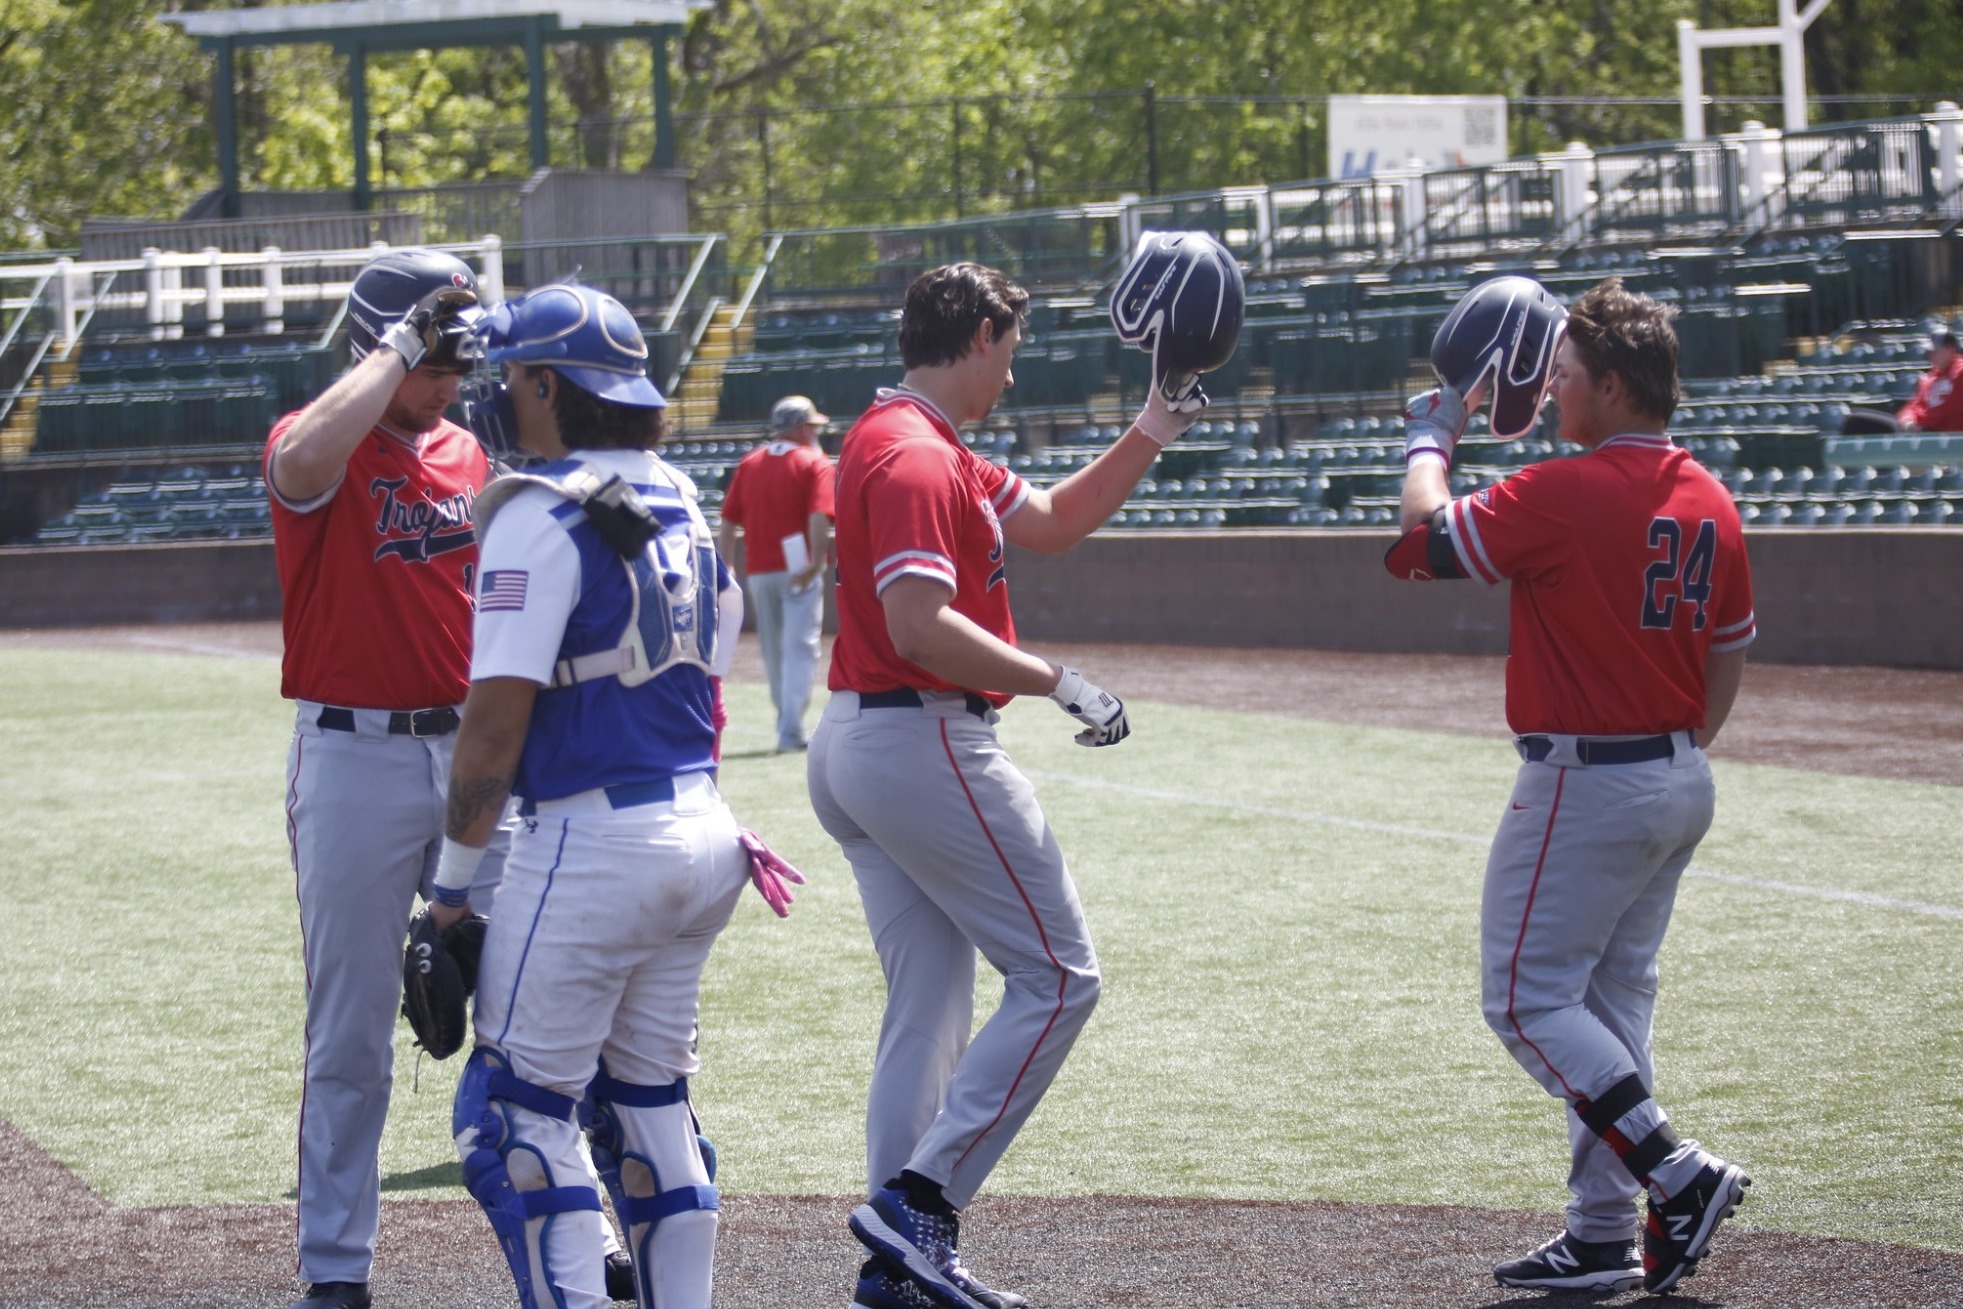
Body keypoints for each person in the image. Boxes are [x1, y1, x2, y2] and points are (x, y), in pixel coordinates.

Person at [807, 240, 1241, 1309]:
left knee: (929, 1008)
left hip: (867, 740)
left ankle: (895, 1255)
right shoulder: (912, 450)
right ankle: (919, 1203)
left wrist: (1152, 425)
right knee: (1061, 976)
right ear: (982, 335)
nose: (1014, 373)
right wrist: (1059, 680)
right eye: (1011, 351)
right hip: (919, 737)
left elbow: (1052, 523)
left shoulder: (919, 437)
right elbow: (920, 624)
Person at [1387, 275, 1755, 1297]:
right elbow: (1728, 652)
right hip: (1677, 774)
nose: (1551, 392)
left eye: (1566, 375)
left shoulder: (1563, 487)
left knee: (1521, 998)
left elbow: (1420, 544)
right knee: (1609, 1005)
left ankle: (1673, 1173)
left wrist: (1430, 436)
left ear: (1617, 385)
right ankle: (1601, 1233)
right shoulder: (1710, 494)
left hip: (1585, 780)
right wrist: (1676, 751)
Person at [428, 283, 777, 1309]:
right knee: (652, 1108)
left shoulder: (537, 512)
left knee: (516, 1122)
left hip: (590, 844)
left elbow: (493, 730)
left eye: (514, 375)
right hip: (704, 831)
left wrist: (450, 889)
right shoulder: (683, 497)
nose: (501, 392)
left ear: (551, 384)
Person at [266, 247, 506, 1309]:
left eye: (457, 365)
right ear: (380, 346)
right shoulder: (318, 437)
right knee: (352, 1023)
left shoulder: (467, 449)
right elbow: (301, 466)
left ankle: (573, 1229)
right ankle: (335, 1267)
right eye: (434, 362)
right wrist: (394, 349)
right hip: (352, 754)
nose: (451, 384)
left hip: (469, 749)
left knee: (539, 991)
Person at [716, 394, 837, 752]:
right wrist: (816, 561)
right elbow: (818, 517)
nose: (817, 432)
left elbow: (727, 520)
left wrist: (727, 565)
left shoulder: (750, 462)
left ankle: (786, 723)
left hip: (759, 570)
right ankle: (790, 730)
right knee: (800, 648)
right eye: (813, 426)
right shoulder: (814, 462)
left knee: (773, 650)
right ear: (801, 428)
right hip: (798, 569)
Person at [1896, 328, 1963, 432]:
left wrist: (1924, 420)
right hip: (1928, 434)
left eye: (1935, 350)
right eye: (1930, 351)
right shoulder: (1929, 379)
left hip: (1953, 438)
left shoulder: (1960, 372)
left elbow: (1948, 410)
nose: (1931, 355)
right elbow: (1912, 406)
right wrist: (1908, 421)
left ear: (1950, 349)